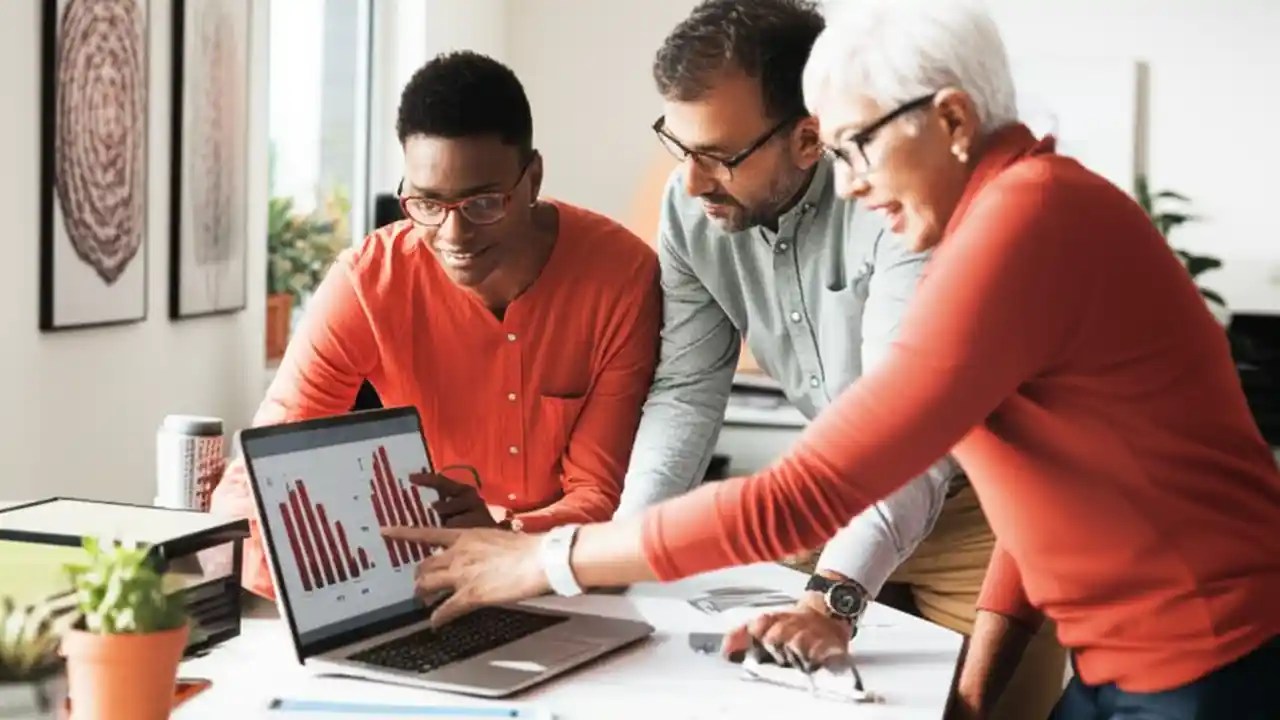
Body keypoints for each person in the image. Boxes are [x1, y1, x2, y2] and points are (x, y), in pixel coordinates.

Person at [385, 2, 1280, 718]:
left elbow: (816, 490)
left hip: (1203, 654)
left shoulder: (1019, 229)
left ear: (954, 121)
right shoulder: (1024, 208)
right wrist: (977, 678)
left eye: (855, 145)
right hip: (1137, 651)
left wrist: (553, 559)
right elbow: (1042, 480)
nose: (846, 181)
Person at [613, 1, 1064, 716]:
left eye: (719, 156)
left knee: (985, 712)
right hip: (836, 494)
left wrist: (834, 599)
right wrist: (625, 550)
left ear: (807, 138)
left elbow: (912, 430)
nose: (693, 182)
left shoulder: (901, 203)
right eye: (679, 143)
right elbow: (685, 391)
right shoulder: (689, 208)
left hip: (981, 516)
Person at [211, 51, 662, 601]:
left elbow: (598, 497)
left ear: (534, 178)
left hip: (566, 583)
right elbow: (260, 474)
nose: (454, 236)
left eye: (483, 204)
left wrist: (502, 539)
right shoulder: (366, 283)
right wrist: (344, 590)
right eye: (426, 203)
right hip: (423, 581)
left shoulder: (622, 275)